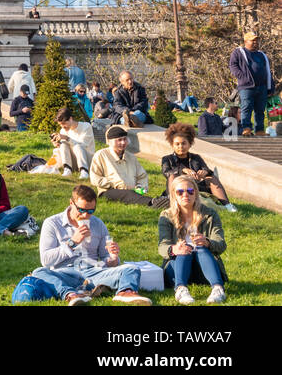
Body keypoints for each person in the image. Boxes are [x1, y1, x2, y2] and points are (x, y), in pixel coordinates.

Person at [27, 185, 151, 305]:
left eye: (91, 211)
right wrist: (72, 242)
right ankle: (71, 295)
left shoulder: (98, 224)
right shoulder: (52, 223)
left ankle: (125, 293)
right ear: (71, 203)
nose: (86, 215)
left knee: (131, 269)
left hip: (93, 273)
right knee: (39, 272)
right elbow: (46, 260)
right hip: (65, 274)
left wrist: (113, 258)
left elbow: (106, 259)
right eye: (82, 210)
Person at [159, 171, 228, 304]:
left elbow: (221, 244)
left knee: (201, 248)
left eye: (190, 191)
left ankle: (218, 289)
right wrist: (174, 249)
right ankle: (180, 289)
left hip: (204, 268)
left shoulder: (209, 214)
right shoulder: (166, 216)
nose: (186, 195)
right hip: (177, 266)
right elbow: (162, 247)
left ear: (196, 193)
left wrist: (207, 242)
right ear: (174, 195)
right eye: (180, 192)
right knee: (185, 249)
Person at [160, 124, 236, 212]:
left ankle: (227, 205)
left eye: (184, 143)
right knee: (172, 176)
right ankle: (172, 203)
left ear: (190, 144)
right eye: (177, 144)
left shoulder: (196, 157)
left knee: (212, 178)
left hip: (196, 187)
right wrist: (182, 170)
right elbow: (166, 172)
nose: (180, 146)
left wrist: (204, 172)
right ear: (172, 145)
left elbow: (208, 170)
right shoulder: (167, 159)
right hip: (179, 187)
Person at [89, 125, 165, 207]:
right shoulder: (101, 155)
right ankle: (154, 202)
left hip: (132, 191)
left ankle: (161, 200)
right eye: (119, 140)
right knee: (128, 194)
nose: (123, 143)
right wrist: (113, 184)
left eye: (125, 139)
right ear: (110, 141)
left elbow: (142, 176)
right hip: (109, 191)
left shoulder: (131, 156)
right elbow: (95, 178)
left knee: (132, 194)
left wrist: (141, 187)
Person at [229, 31, 273, 136]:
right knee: (246, 107)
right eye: (252, 40)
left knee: (260, 110)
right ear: (245, 41)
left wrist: (271, 86)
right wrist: (243, 77)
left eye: (256, 40)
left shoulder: (261, 54)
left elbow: (267, 71)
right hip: (247, 86)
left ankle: (259, 130)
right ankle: (247, 128)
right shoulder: (238, 52)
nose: (255, 42)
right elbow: (233, 66)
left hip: (261, 87)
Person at [51, 107, 95, 179]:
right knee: (63, 144)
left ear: (71, 119)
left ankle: (84, 171)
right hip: (73, 162)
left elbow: (83, 145)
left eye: (64, 123)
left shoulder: (86, 126)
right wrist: (58, 145)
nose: (63, 126)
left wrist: (67, 138)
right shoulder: (63, 130)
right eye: (60, 124)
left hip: (87, 160)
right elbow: (66, 148)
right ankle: (67, 169)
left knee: (78, 146)